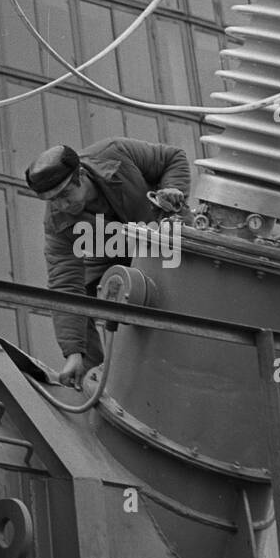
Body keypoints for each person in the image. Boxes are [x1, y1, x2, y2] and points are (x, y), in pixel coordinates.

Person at [25, 137, 190, 389]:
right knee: (85, 297)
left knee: (182, 298)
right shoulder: (58, 223)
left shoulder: (116, 153)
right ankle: (96, 383)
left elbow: (173, 157)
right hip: (113, 253)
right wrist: (73, 353)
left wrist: (172, 188)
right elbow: (64, 285)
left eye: (66, 194)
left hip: (165, 239)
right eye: (53, 200)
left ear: (80, 174)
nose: (63, 205)